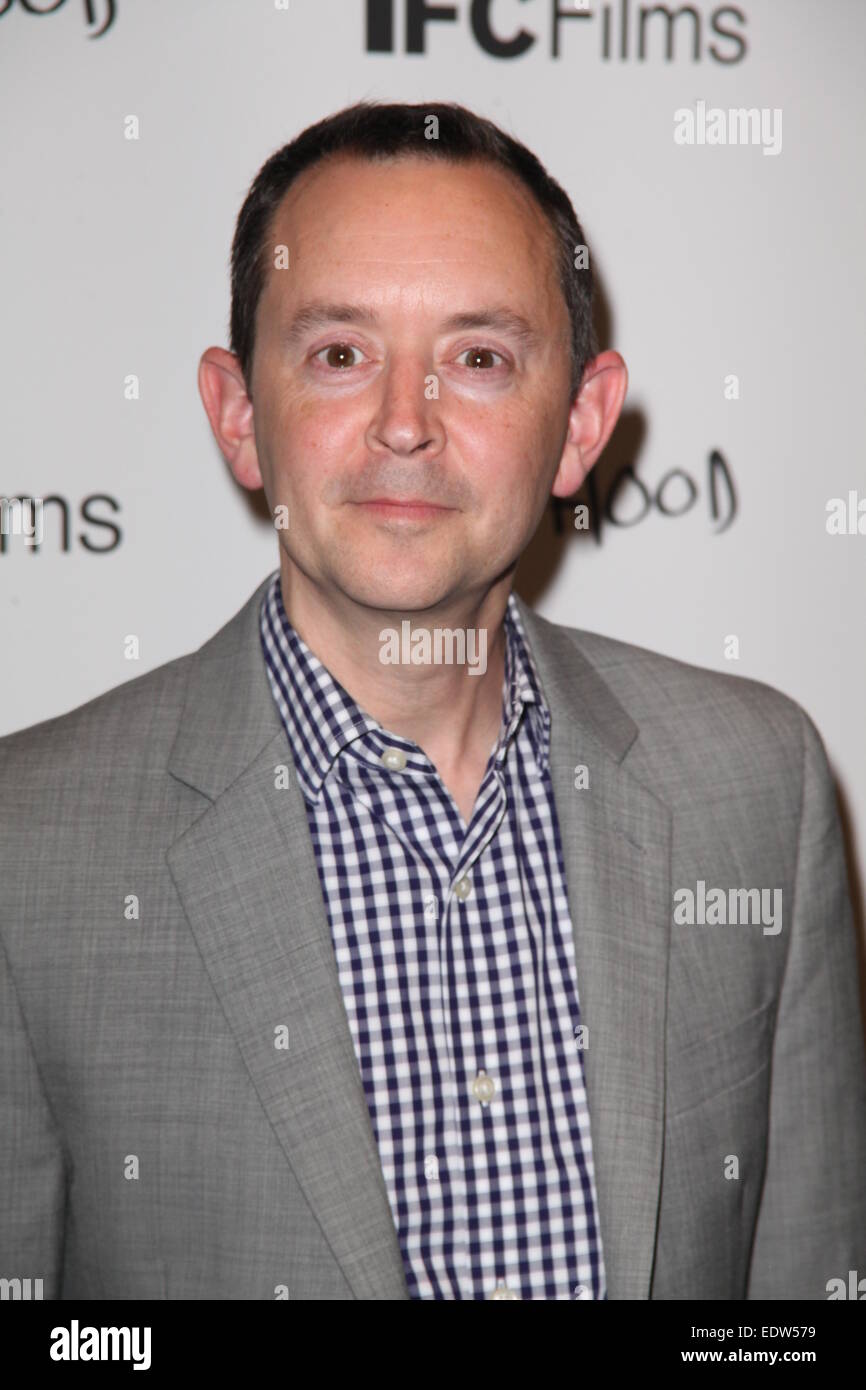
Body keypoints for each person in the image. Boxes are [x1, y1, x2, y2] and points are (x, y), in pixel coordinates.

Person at [1, 100, 864, 1302]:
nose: (404, 424)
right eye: (340, 352)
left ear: (579, 426)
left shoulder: (755, 785)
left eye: (478, 358)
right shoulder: (25, 849)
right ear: (240, 415)